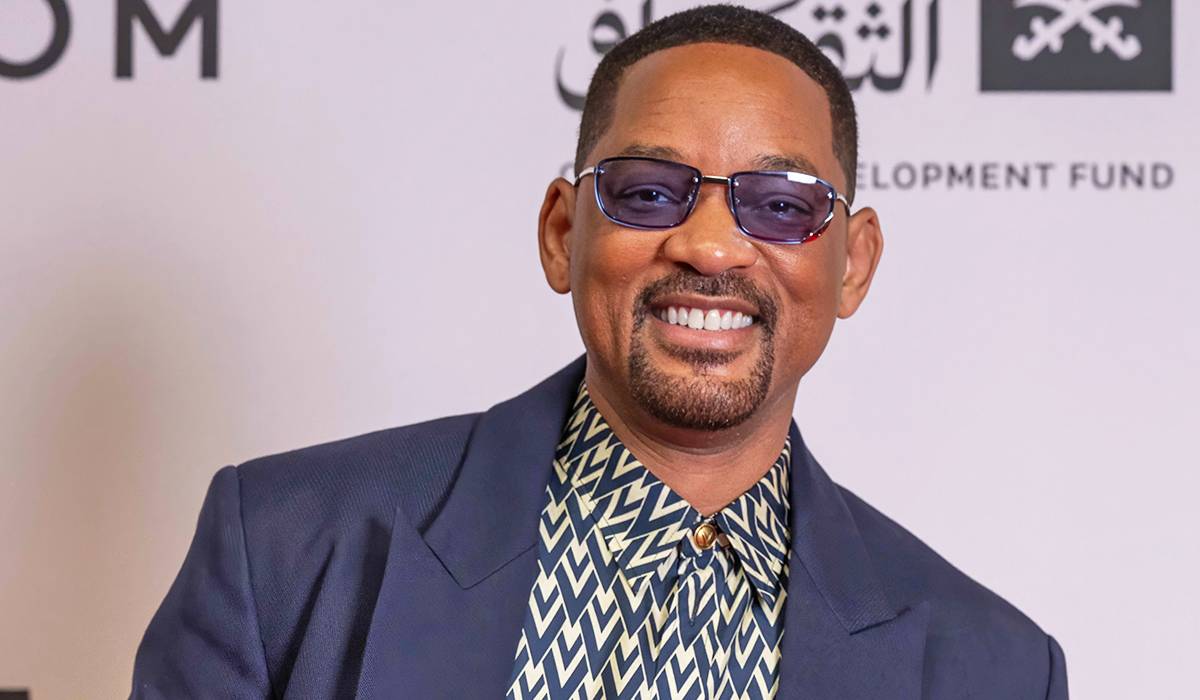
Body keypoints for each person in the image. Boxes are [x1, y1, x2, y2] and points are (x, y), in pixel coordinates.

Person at [131, 6, 1067, 699]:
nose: (711, 247)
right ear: (561, 234)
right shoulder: (282, 551)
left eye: (781, 204)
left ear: (852, 264)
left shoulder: (997, 671)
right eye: (649, 192)